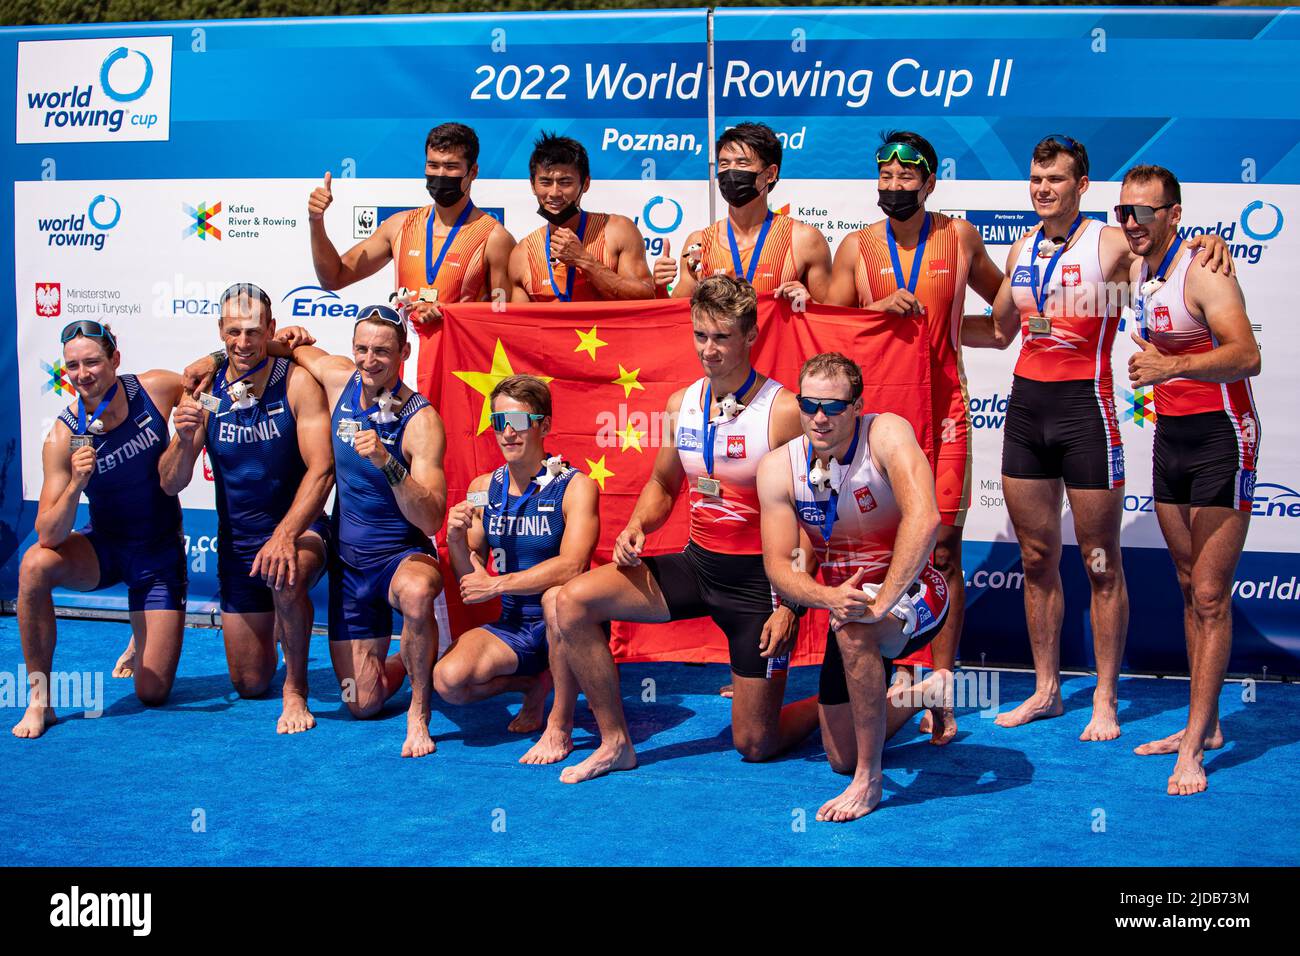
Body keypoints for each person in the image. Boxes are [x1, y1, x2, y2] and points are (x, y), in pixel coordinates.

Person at [963, 134, 1232, 740]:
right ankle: (1046, 689)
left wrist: (1208, 243)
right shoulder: (1022, 246)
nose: (1042, 188)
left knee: (1099, 562)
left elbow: (1162, 250)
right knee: (1036, 559)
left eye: (1055, 179)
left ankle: (1106, 697)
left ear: (1081, 186)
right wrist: (933, 318)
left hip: (1087, 411)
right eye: (1036, 178)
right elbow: (999, 330)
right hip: (1027, 411)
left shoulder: (1108, 241)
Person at [550, 275, 817, 783]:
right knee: (572, 601)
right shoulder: (681, 404)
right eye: (700, 336)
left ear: (750, 336)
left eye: (721, 337)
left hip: (761, 589)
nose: (709, 350)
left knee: (756, 744)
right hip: (698, 567)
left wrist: (791, 605)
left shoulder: (783, 411)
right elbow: (662, 484)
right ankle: (616, 743)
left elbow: (810, 518)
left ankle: (839, 710)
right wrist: (637, 525)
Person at [190, 306, 448, 756]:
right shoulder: (335, 377)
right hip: (350, 568)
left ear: (404, 352)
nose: (370, 360)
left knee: (418, 593)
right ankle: (405, 661)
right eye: (362, 349)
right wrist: (212, 361)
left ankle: (419, 713)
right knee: (361, 702)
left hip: (399, 558)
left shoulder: (421, 420)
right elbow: (262, 347)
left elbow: (430, 519)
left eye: (383, 352)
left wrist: (389, 465)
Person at [825, 130, 1008, 742]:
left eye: (908, 178)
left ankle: (942, 685)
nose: (895, 186)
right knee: (886, 548)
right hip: (880, 421)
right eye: (887, 176)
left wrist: (967, 330)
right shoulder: (855, 247)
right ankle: (886, 675)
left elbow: (1005, 308)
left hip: (947, 412)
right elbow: (827, 334)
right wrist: (875, 314)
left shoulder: (959, 237)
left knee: (945, 550)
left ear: (930, 183)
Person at [757, 352, 951, 821]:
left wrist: (881, 603)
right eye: (809, 405)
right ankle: (930, 691)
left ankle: (871, 780)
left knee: (854, 629)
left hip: (916, 587)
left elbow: (925, 520)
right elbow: (779, 567)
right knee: (838, 755)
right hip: (845, 600)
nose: (819, 418)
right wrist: (826, 598)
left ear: (858, 406)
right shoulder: (778, 468)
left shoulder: (885, 433)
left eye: (834, 407)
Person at [1118, 164, 1261, 794]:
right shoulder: (1135, 266)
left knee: (1209, 595)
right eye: (1124, 211)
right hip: (1170, 440)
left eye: (1144, 212)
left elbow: (1247, 354)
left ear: (1175, 215)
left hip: (1223, 441)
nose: (1131, 223)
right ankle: (1206, 726)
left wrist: (1169, 365)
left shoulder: (1204, 269)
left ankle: (1195, 748)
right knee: (1185, 584)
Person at [161, 283, 333, 734]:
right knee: (250, 682)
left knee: (285, 572)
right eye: (233, 332)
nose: (243, 342)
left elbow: (322, 470)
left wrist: (284, 536)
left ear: (271, 330)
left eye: (254, 332)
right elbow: (171, 481)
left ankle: (296, 688)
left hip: (301, 531)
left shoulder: (297, 381)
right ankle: (277, 633)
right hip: (239, 548)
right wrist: (182, 438)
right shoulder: (203, 389)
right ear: (220, 330)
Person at [14, 321, 188, 738]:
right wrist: (75, 485)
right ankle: (40, 699)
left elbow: (207, 383)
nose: (83, 373)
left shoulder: (155, 389)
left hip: (159, 555)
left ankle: (140, 629)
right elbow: (49, 535)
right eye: (72, 365)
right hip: (105, 550)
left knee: (151, 692)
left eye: (92, 361)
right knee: (35, 564)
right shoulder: (63, 435)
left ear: (115, 360)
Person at [433, 374, 599, 751]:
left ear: (545, 425)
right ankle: (534, 683)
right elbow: (469, 572)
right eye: (498, 422)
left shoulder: (576, 486)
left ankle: (560, 723)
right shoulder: (481, 489)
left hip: (571, 624)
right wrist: (455, 540)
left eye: (520, 422)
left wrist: (497, 584)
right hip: (516, 627)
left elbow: (572, 566)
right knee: (448, 681)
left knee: (555, 599)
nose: (507, 432)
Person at [307, 122, 516, 397]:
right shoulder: (400, 226)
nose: (441, 174)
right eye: (434, 165)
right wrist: (316, 221)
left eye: (451, 167)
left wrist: (452, 315)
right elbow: (334, 276)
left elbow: (507, 321)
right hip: (401, 374)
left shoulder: (494, 237)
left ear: (473, 172)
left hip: (459, 377)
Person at [655, 122, 831, 307]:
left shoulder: (804, 240)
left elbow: (834, 320)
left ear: (770, 174)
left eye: (742, 163)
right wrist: (659, 288)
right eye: (724, 164)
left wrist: (811, 304)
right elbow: (677, 317)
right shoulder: (699, 243)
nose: (731, 171)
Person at [509, 132, 654, 302]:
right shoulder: (522, 254)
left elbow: (646, 298)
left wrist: (585, 261)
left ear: (585, 184)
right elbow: (518, 325)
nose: (554, 193)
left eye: (565, 182)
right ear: (533, 185)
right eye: (545, 182)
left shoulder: (618, 231)